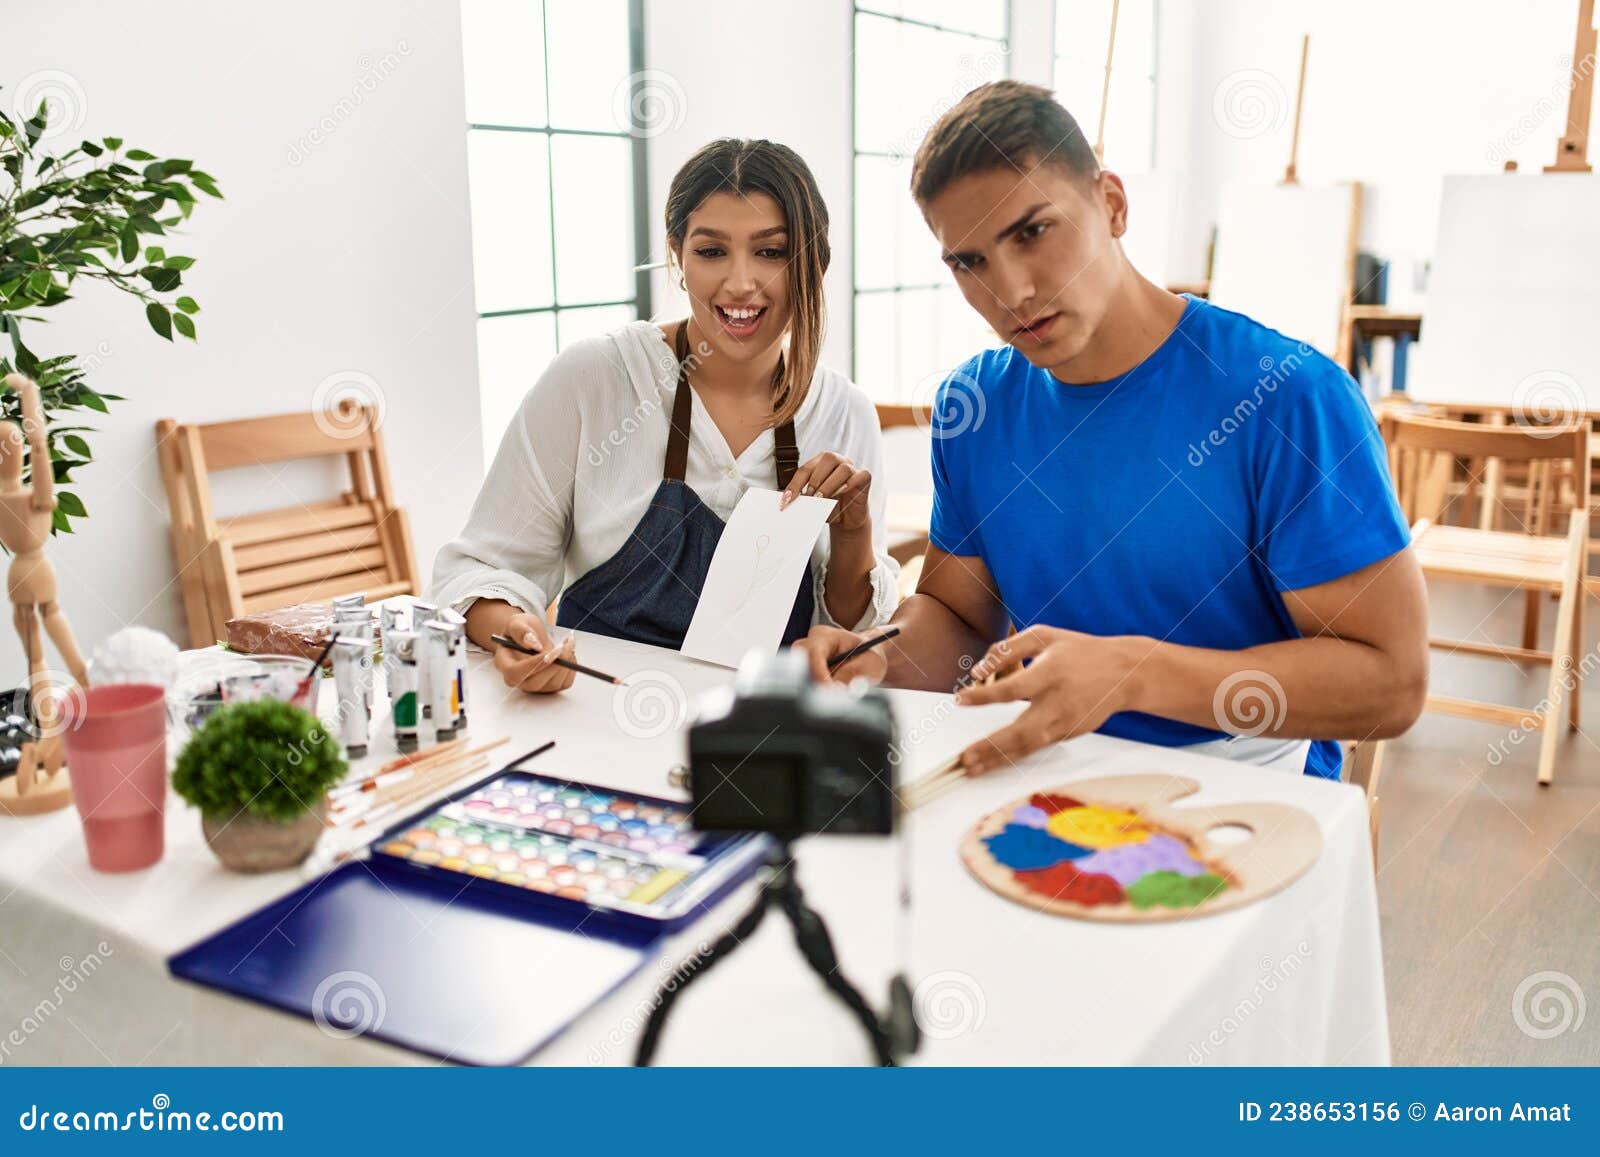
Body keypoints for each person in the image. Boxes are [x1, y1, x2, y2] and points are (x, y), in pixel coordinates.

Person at [794, 81, 1427, 779]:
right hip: (1041, 767)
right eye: (969, 262)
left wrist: (1133, 675)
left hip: (1249, 792)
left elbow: (1391, 682)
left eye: (1031, 232)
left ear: (1113, 205)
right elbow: (960, 616)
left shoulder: (1287, 396)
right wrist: (873, 657)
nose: (1011, 290)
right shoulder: (973, 403)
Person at [431, 138, 898, 693]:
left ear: (813, 260)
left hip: (763, 733)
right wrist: (514, 634)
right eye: (711, 251)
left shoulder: (844, 412)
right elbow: (479, 569)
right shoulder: (595, 379)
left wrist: (854, 533)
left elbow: (848, 635)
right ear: (678, 256)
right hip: (596, 721)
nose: (740, 282)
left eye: (771, 252)